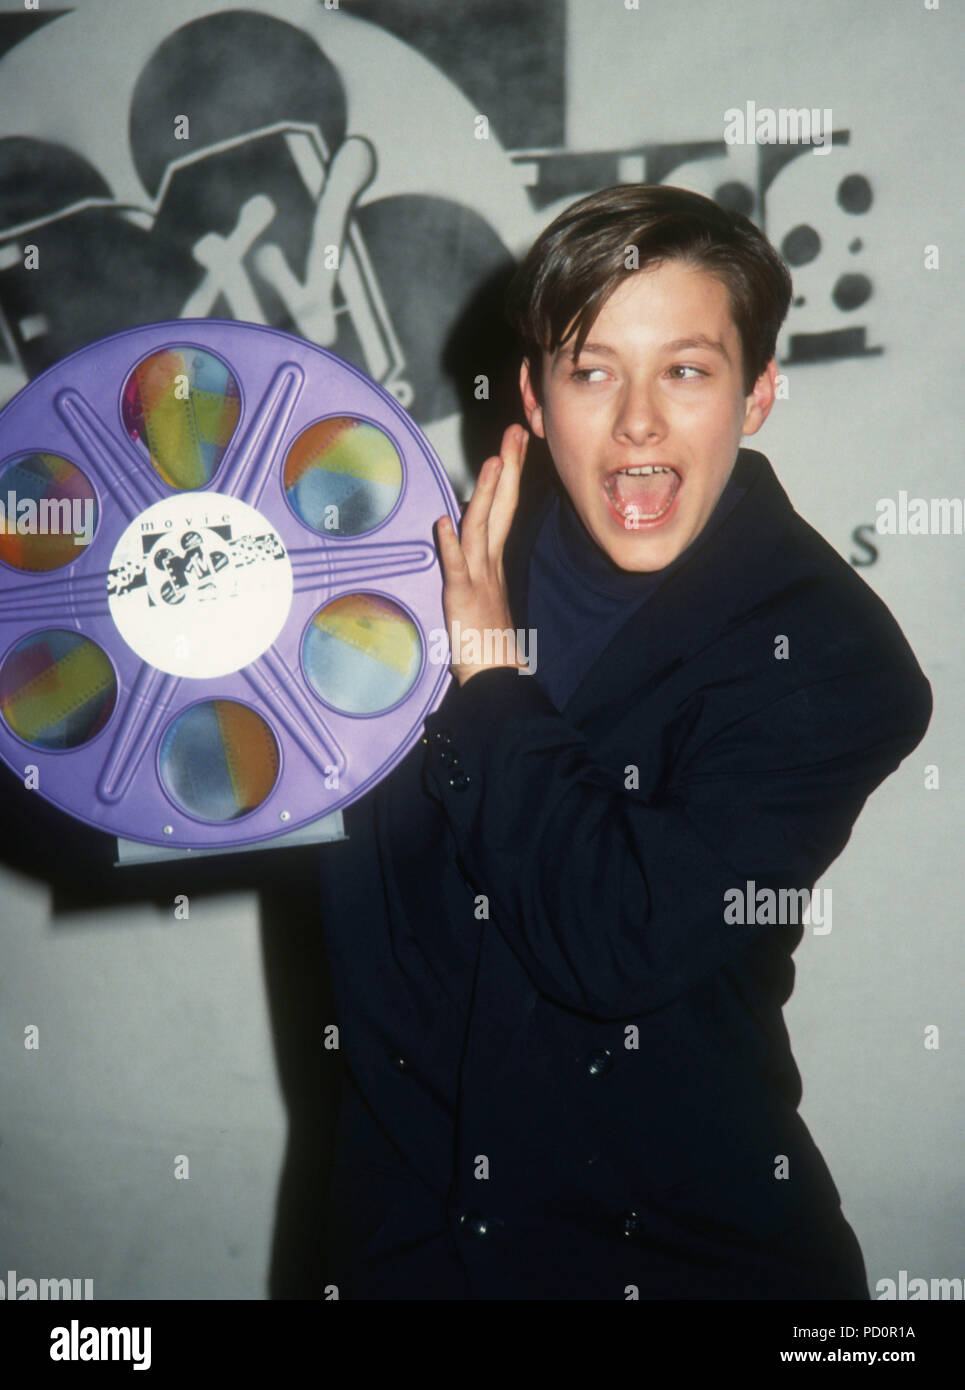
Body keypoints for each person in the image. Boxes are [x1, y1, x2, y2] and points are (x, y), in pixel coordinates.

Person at [318, 183, 932, 1300]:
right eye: (592, 369)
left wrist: (491, 675)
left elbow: (615, 939)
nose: (637, 420)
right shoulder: (406, 580)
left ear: (755, 396)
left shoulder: (832, 659)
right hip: (407, 1245)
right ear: (534, 400)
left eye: (686, 370)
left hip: (670, 1255)